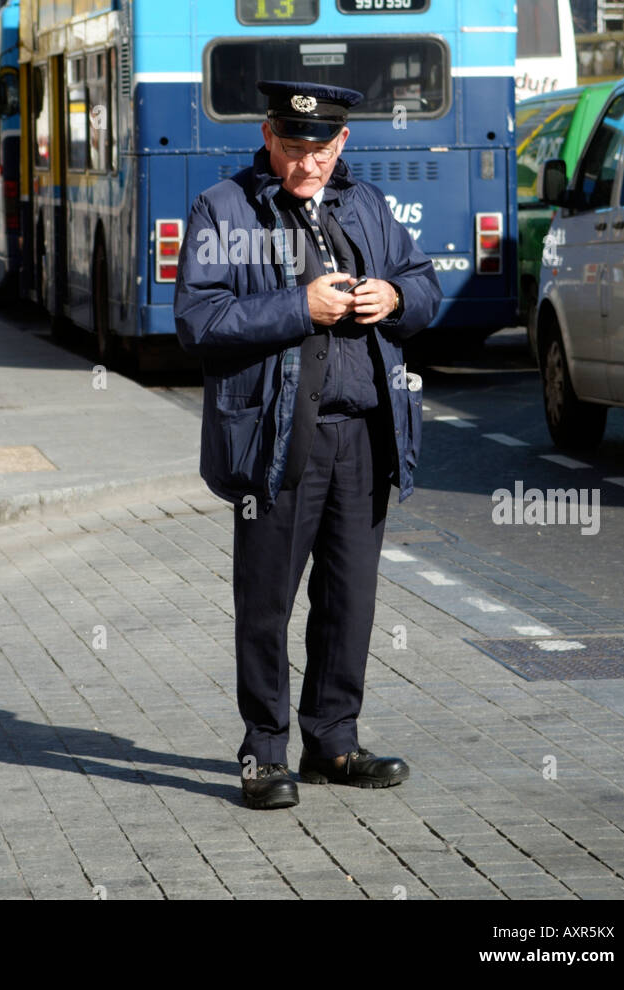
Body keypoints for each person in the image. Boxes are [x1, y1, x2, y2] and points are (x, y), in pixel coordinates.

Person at [174, 80, 442, 809]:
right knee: (265, 603)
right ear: (267, 137)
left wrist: (394, 297)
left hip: (364, 436)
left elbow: (423, 286)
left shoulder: (367, 205)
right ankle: (263, 753)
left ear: (341, 144)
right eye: (292, 149)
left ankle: (332, 742)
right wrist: (299, 306)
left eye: (320, 150)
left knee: (348, 600)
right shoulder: (224, 209)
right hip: (274, 438)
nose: (307, 165)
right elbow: (198, 319)